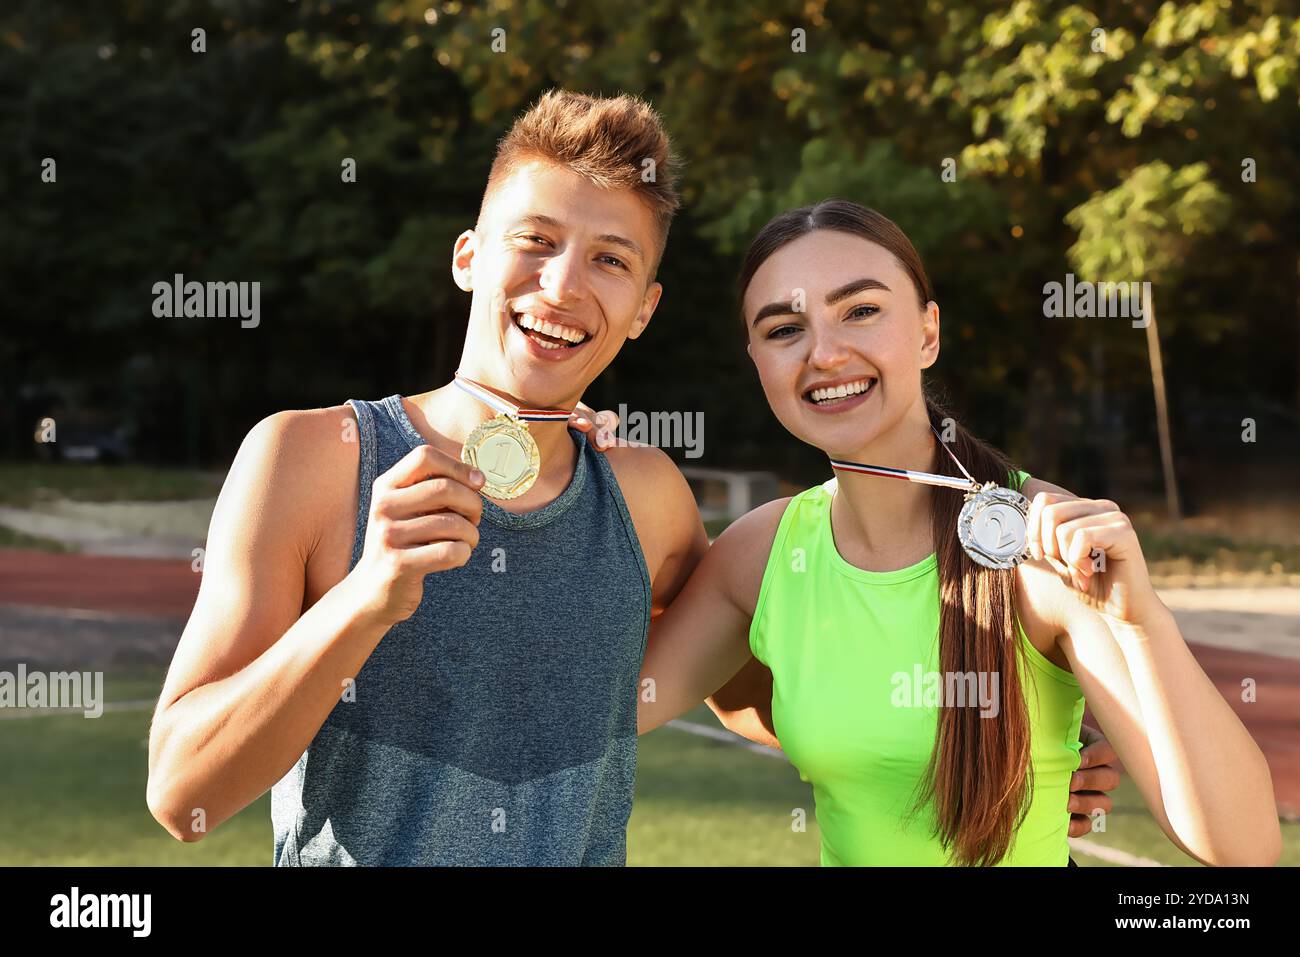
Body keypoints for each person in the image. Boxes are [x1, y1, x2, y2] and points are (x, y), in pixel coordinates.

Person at [146, 89, 1116, 866]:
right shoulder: (309, 459)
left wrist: (1002, 746)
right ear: (468, 257)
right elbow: (182, 796)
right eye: (534, 241)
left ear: (643, 309)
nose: (564, 285)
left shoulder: (646, 498)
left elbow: (751, 691)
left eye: (609, 260)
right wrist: (364, 599)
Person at [636, 200, 1281, 866]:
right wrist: (581, 463)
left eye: (861, 310)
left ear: (926, 331)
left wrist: (1143, 622)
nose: (824, 353)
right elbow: (607, 709)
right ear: (757, 360)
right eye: (784, 328)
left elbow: (1245, 849)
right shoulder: (761, 553)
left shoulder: (1042, 544)